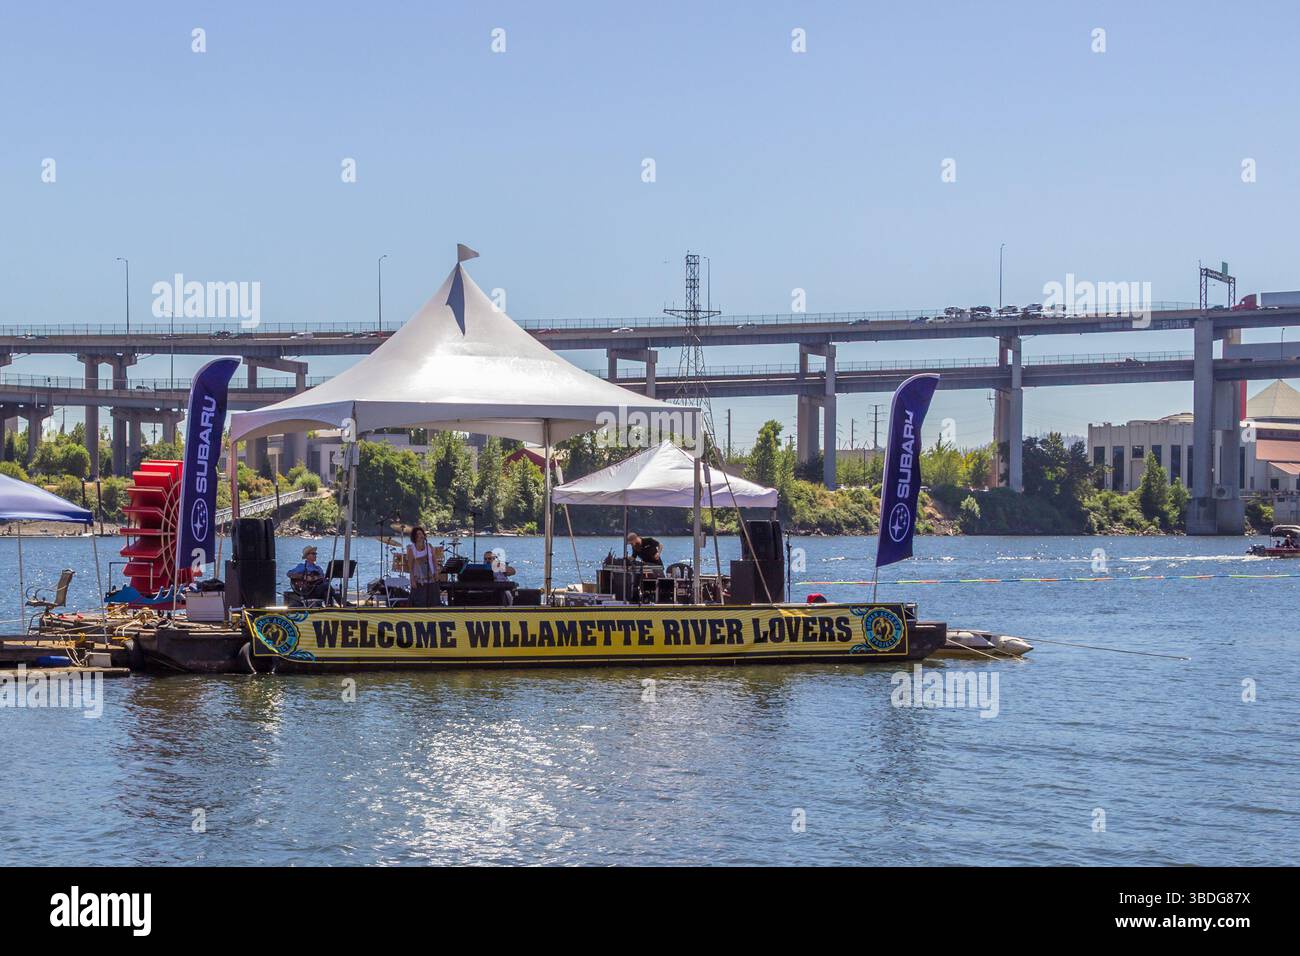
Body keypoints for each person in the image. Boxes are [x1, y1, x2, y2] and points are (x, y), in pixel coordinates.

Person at [406, 527, 442, 607]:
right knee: (420, 602)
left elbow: (434, 560)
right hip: (419, 580)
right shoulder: (412, 549)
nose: (420, 535)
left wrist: (436, 572)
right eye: (418, 534)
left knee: (433, 601)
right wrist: (412, 580)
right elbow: (410, 567)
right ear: (414, 536)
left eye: (421, 533)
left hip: (431, 578)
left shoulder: (429, 546)